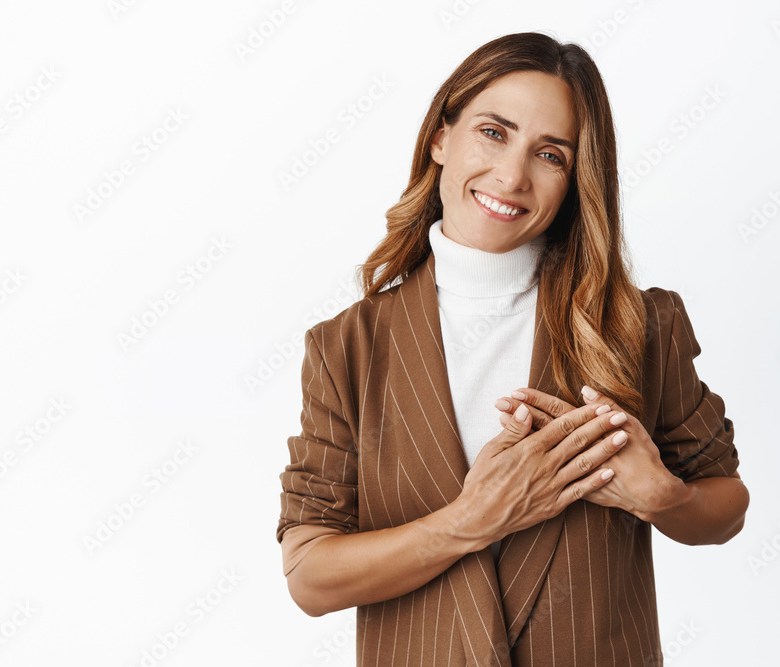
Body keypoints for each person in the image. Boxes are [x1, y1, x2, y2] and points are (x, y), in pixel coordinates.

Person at [276, 31, 749, 666]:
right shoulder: (347, 346)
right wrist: (472, 519)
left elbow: (726, 507)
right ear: (440, 138)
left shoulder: (638, 324)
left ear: (575, 179)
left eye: (550, 154)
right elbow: (309, 576)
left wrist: (666, 497)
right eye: (493, 133)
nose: (512, 175)